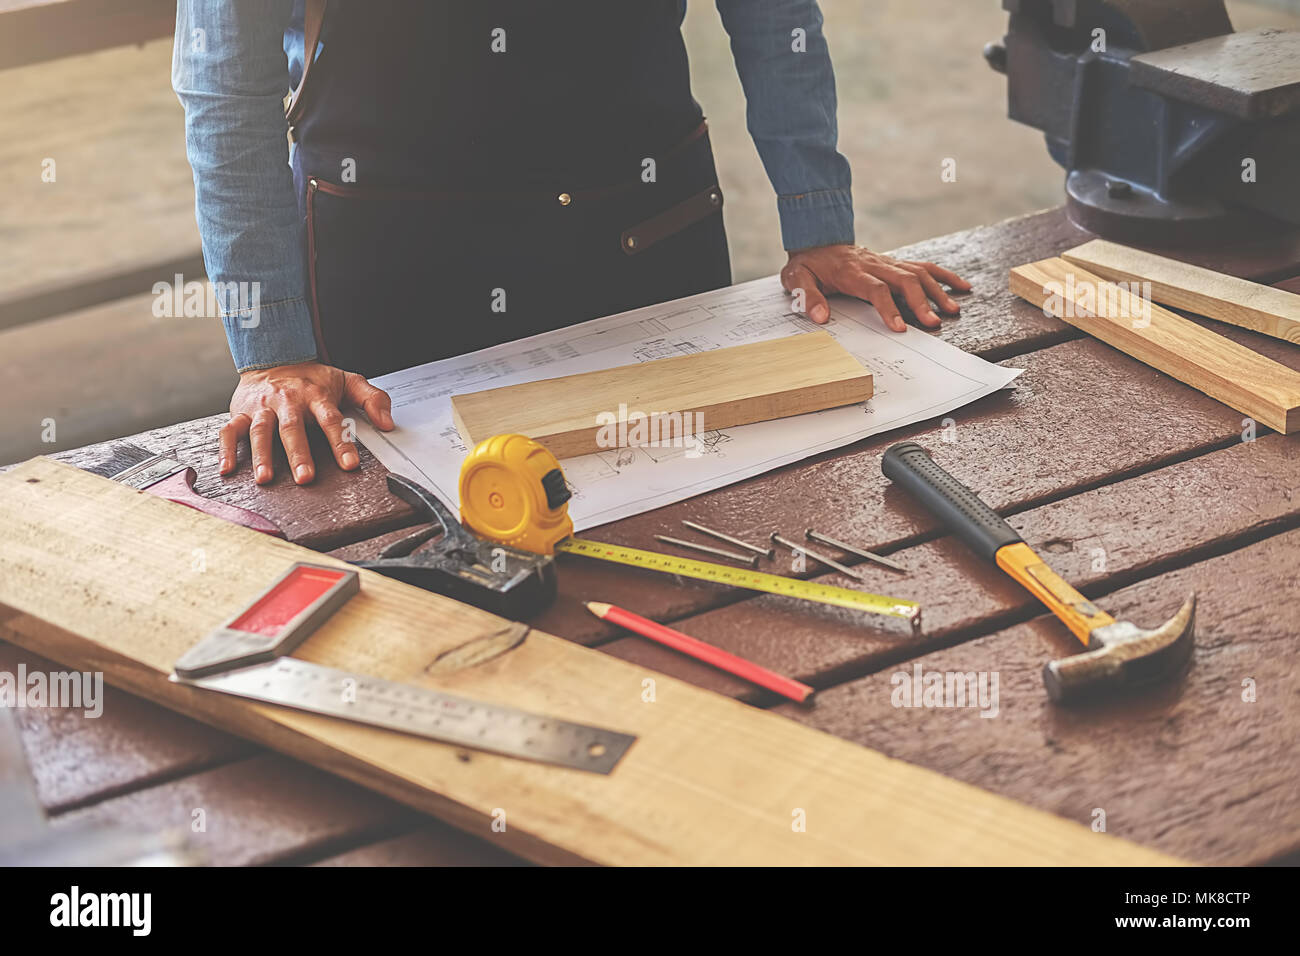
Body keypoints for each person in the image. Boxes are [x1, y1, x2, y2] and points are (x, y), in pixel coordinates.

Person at [173, 1, 970, 485]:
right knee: (417, 581)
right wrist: (272, 349)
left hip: (651, 233)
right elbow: (225, 86)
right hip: (394, 263)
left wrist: (820, 223)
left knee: (723, 523)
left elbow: (773, 13)